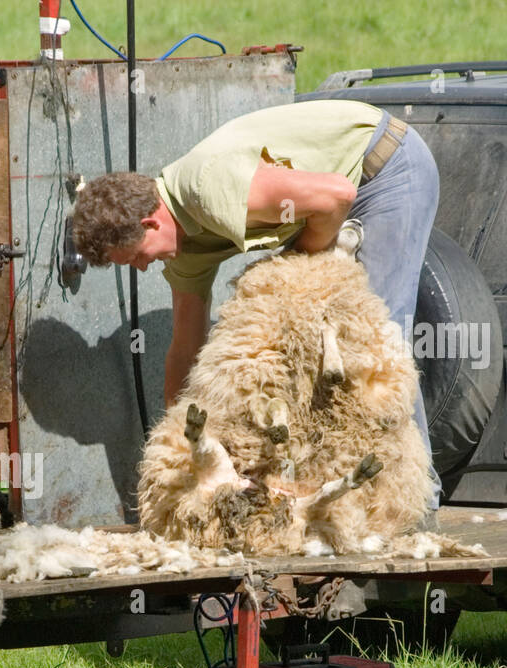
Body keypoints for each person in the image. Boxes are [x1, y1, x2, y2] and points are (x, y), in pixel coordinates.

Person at [72, 98, 442, 512]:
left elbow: (337, 195)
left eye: (137, 256)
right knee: (310, 346)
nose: (141, 268)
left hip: (382, 168)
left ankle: (415, 504)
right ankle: (342, 499)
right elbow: (185, 348)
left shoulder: (208, 189)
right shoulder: (186, 249)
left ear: (150, 223)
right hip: (331, 197)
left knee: (372, 344)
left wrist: (298, 269)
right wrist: (187, 447)